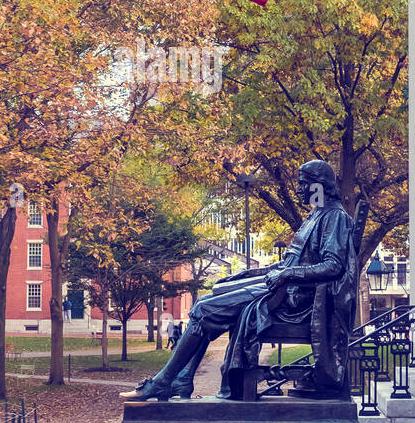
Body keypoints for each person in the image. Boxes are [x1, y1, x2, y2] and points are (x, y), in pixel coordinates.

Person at [121, 159, 368, 403]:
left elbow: (333, 266)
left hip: (296, 301)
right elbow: (290, 264)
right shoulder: (316, 215)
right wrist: (248, 274)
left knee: (203, 310)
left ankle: (164, 382)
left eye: (303, 184)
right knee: (211, 297)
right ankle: (182, 379)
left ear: (319, 186)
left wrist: (286, 275)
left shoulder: (334, 217)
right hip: (283, 289)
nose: (298, 189)